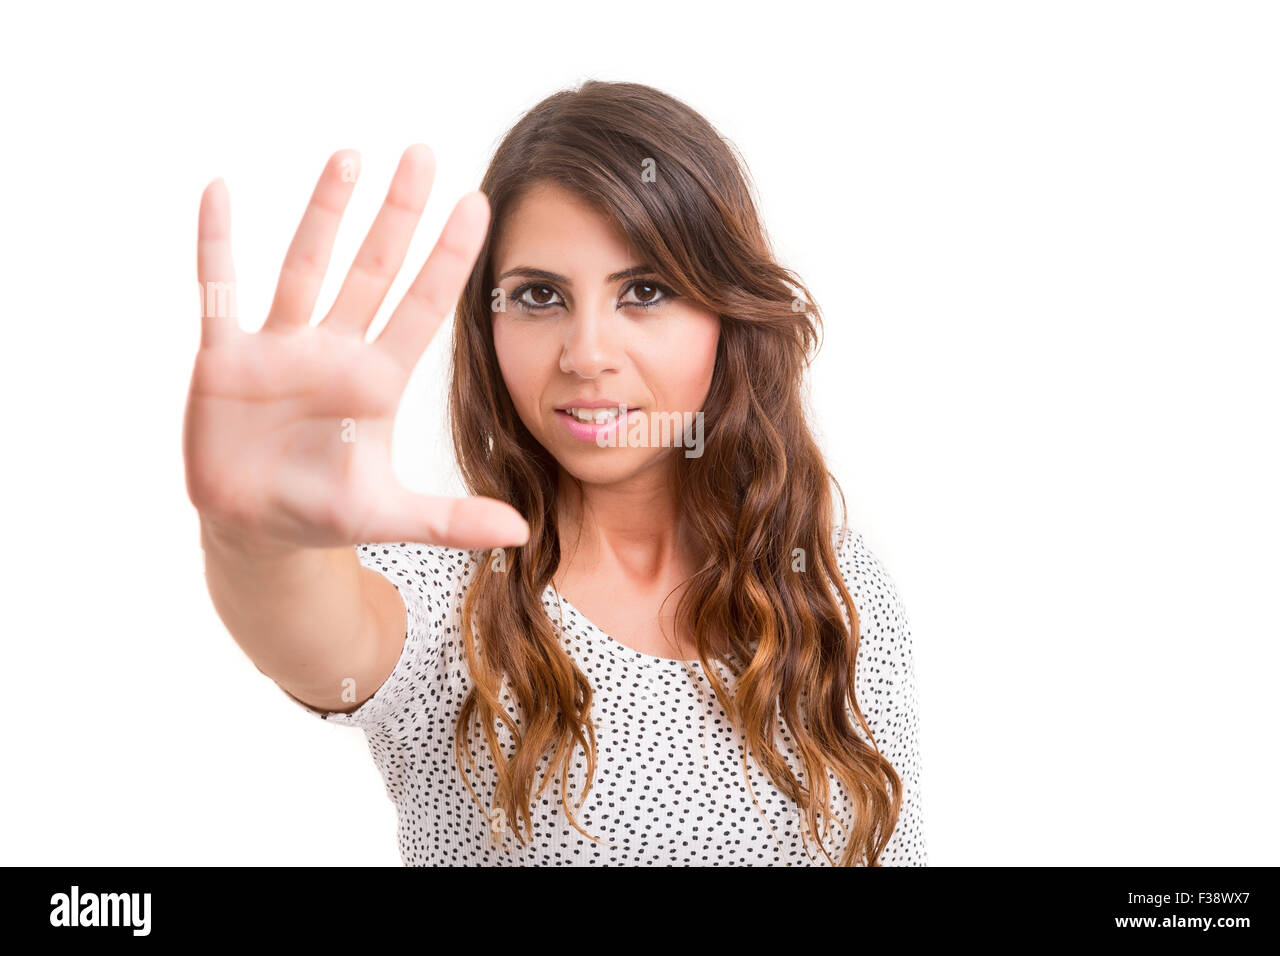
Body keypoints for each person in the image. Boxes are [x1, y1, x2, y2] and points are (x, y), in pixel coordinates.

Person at [184, 80, 927, 866]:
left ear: (728, 314)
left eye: (645, 291)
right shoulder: (448, 603)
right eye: (539, 296)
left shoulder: (839, 595)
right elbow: (309, 627)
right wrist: (255, 538)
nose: (587, 355)